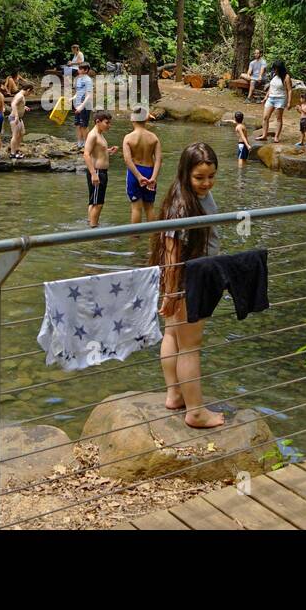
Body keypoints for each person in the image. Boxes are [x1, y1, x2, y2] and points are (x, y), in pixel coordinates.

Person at [151, 141, 225, 429]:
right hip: (187, 279)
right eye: (199, 177)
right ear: (185, 174)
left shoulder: (189, 196)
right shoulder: (181, 205)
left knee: (172, 334)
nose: (206, 183)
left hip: (186, 277)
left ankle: (175, 393)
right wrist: (172, 291)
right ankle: (195, 411)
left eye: (211, 176)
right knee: (191, 345)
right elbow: (171, 252)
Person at [122, 105, 161, 224]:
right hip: (150, 171)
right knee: (150, 207)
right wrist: (153, 178)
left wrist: (139, 177)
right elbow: (159, 159)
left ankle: (135, 239)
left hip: (135, 173)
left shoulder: (128, 138)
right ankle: (153, 239)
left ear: (132, 119)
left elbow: (127, 160)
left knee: (136, 208)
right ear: (146, 119)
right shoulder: (154, 138)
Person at [83, 109, 113, 227]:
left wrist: (108, 151)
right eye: (107, 123)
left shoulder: (99, 134)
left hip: (100, 172)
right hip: (97, 172)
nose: (109, 125)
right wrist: (94, 174)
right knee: (98, 203)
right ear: (97, 121)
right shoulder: (93, 135)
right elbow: (86, 154)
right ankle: (94, 229)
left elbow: (97, 151)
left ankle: (91, 224)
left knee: (93, 202)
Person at [256, 60, 292, 143]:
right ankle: (264, 135)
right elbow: (271, 88)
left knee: (278, 119)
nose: (274, 70)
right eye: (274, 68)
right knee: (265, 117)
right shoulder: (273, 75)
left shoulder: (286, 77)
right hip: (271, 98)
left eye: (276, 69)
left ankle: (276, 137)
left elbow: (290, 90)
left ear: (280, 69)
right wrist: (265, 98)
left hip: (280, 99)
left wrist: (289, 102)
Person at [72, 62, 95, 146]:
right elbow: (78, 91)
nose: (78, 70)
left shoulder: (88, 80)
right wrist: (73, 98)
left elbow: (88, 94)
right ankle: (79, 142)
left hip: (85, 105)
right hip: (78, 105)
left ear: (86, 70)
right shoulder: (79, 79)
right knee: (77, 124)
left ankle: (86, 143)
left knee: (84, 125)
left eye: (80, 69)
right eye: (79, 68)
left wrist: (82, 106)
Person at [8, 76, 27, 159]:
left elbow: (14, 102)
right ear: (28, 90)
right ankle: (12, 153)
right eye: (30, 92)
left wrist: (24, 107)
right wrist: (16, 115)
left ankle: (16, 149)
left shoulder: (20, 95)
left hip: (19, 118)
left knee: (22, 132)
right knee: (15, 135)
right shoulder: (20, 96)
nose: (30, 94)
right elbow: (13, 104)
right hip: (14, 118)